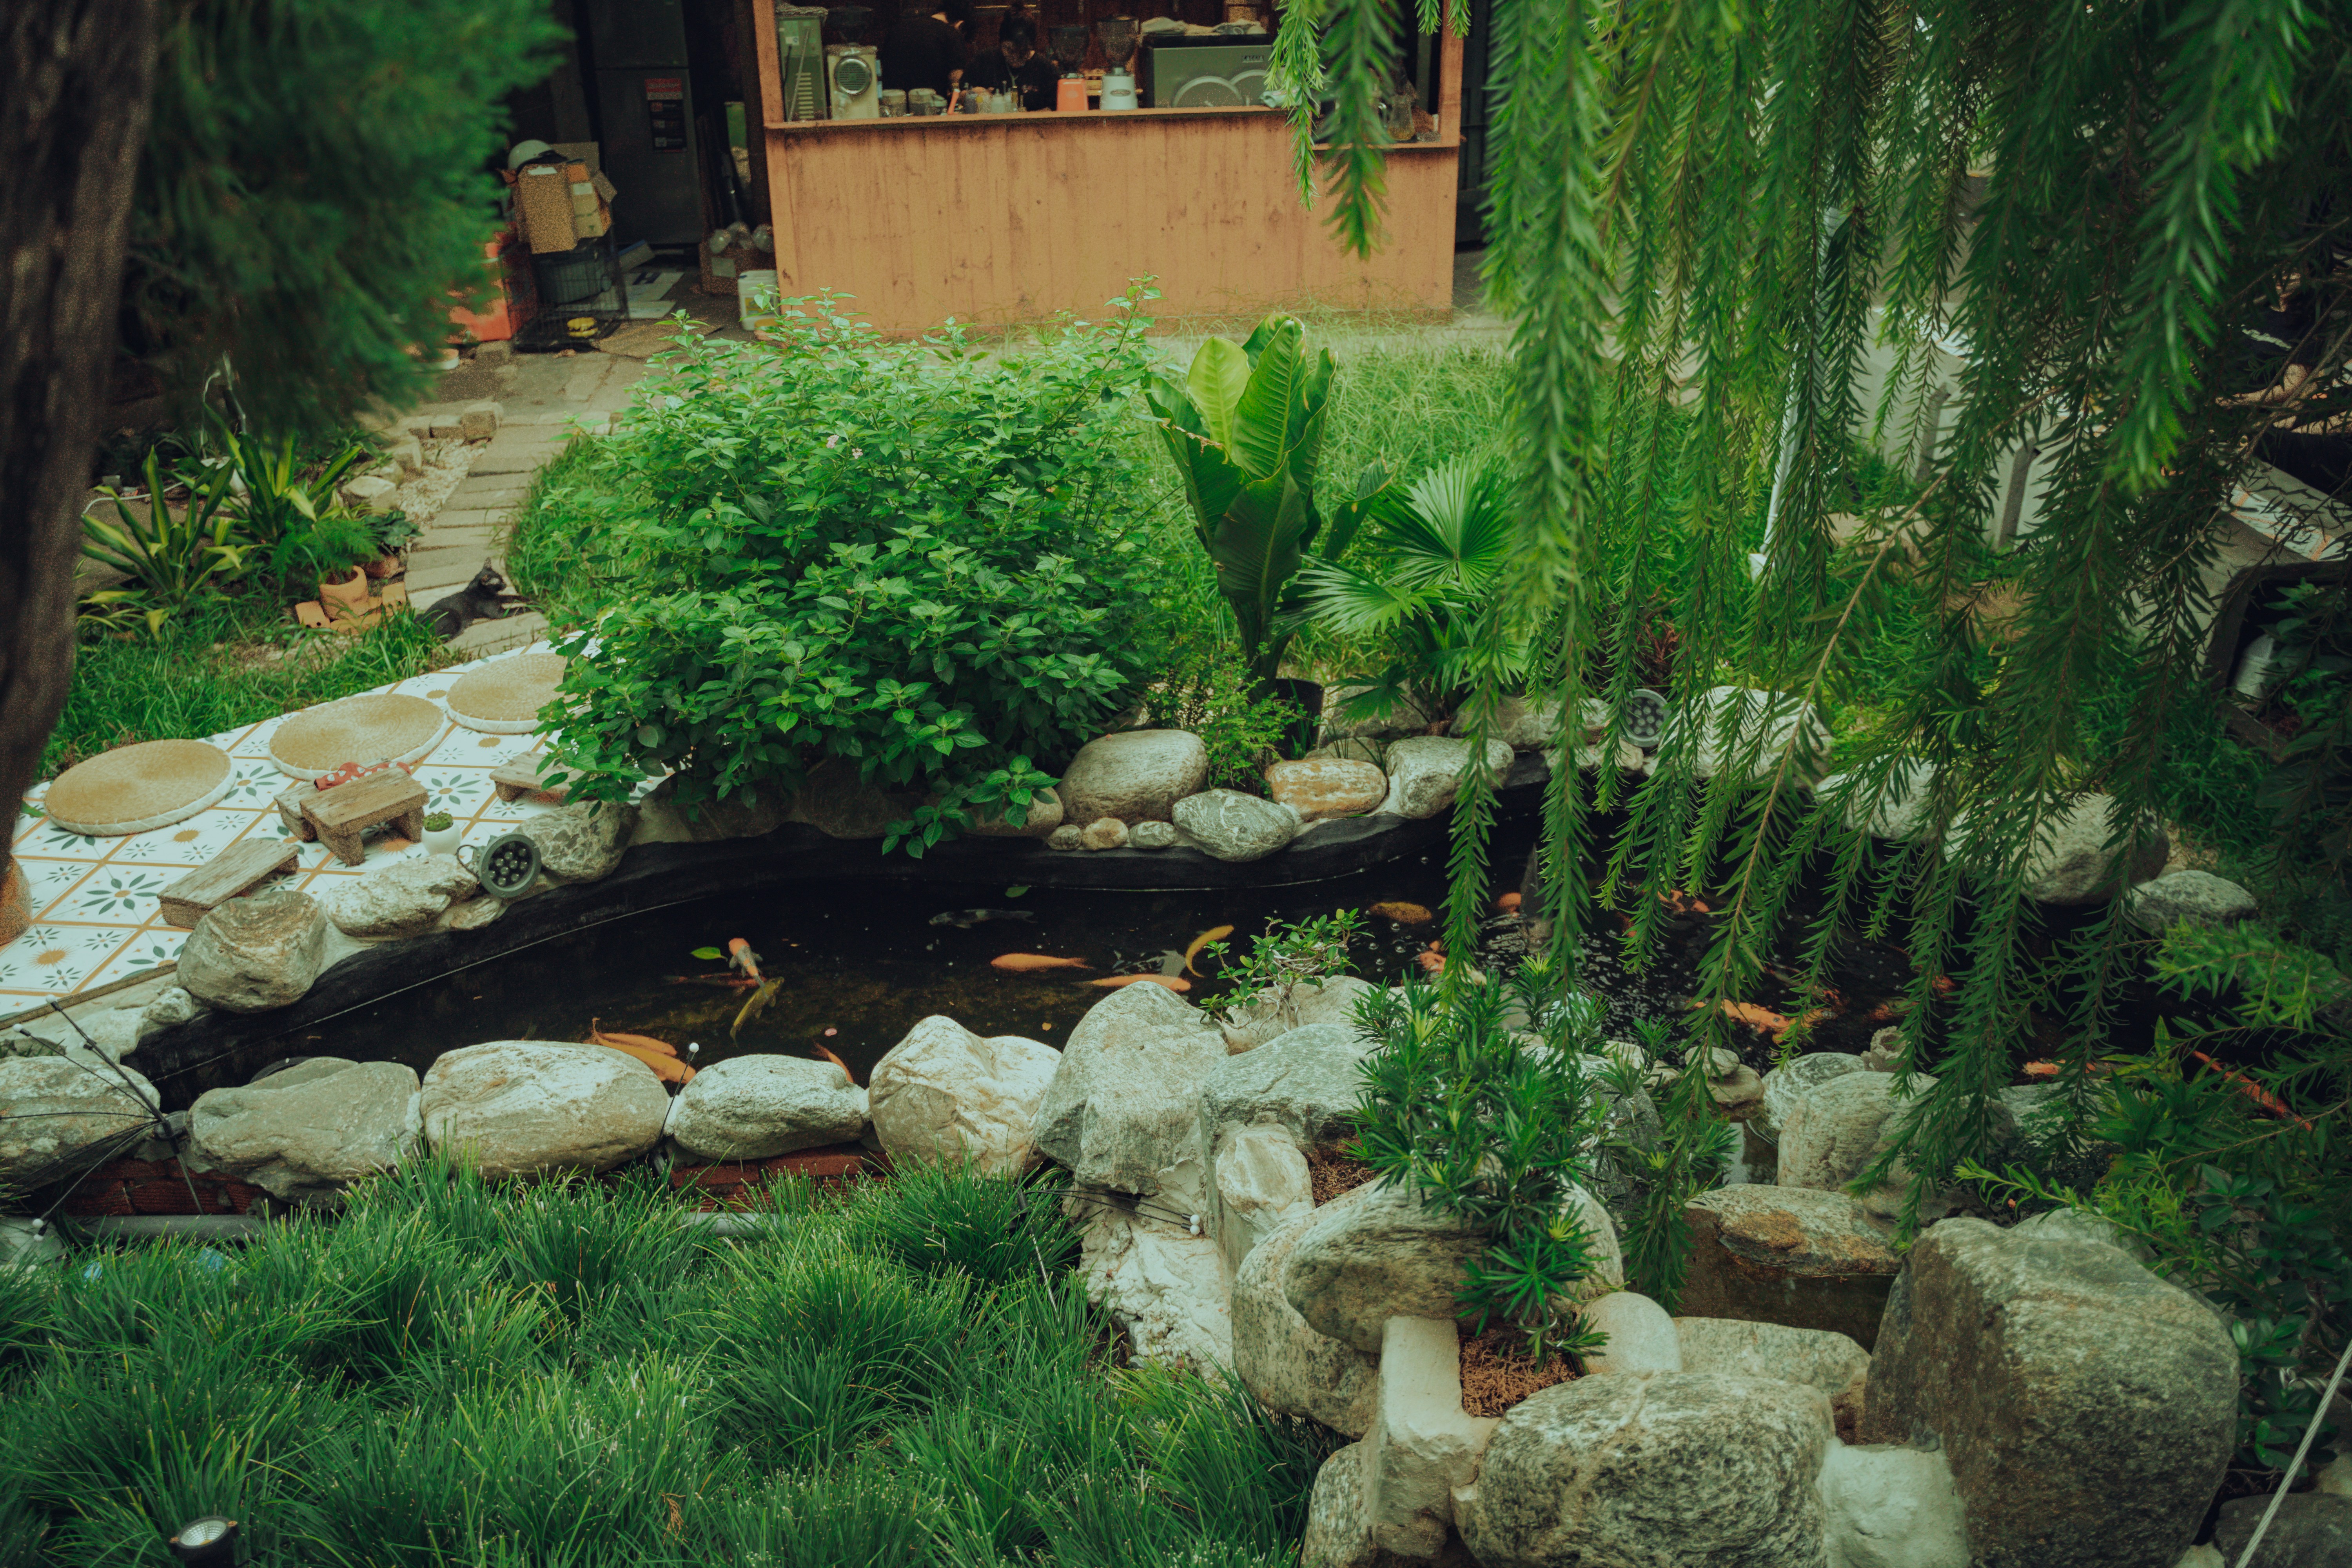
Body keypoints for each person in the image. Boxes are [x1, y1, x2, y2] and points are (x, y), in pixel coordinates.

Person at [963, 15, 1058, 111]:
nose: (1016, 56)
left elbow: (1055, 108)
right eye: (1010, 50)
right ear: (1001, 44)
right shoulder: (984, 60)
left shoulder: (1046, 68)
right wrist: (972, 94)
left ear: (1032, 46)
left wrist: (1029, 118)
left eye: (1023, 51)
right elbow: (960, 94)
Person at [880, 0, 969, 102]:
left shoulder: (897, 29)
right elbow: (956, 80)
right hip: (931, 107)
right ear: (960, 25)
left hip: (892, 105)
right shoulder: (951, 34)